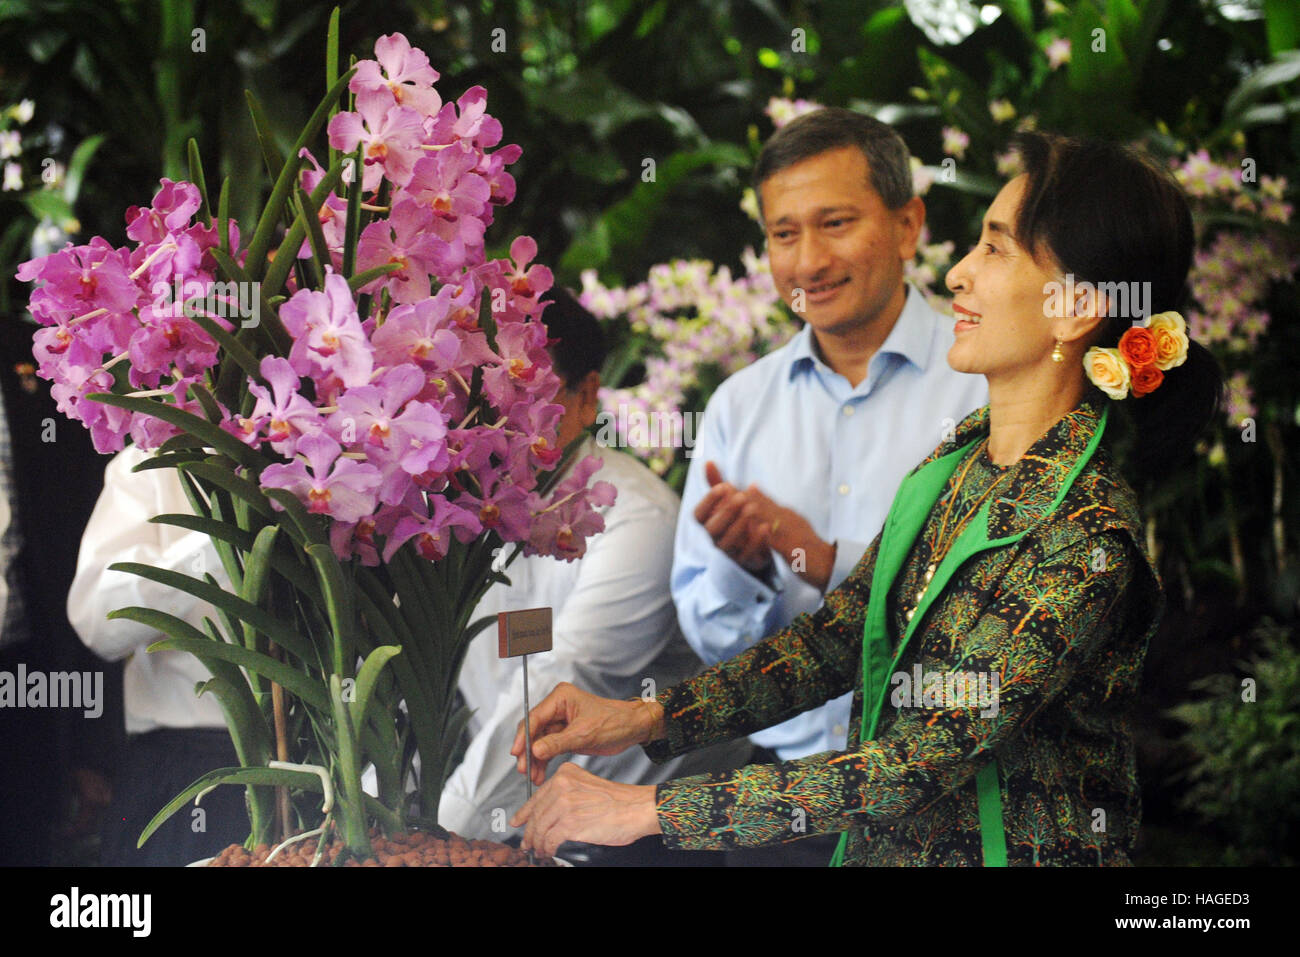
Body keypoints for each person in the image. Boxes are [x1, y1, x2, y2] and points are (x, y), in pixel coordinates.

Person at [507, 131, 1222, 865]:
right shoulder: (953, 465)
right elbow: (840, 638)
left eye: (997, 249)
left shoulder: (1084, 535)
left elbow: (923, 757)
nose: (960, 276)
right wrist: (642, 718)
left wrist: (647, 806)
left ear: (1075, 309)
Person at [672, 109, 987, 787]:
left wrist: (824, 561)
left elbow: (1004, 609)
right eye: (784, 234)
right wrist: (748, 569)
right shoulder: (739, 405)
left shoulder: (983, 387)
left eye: (835, 223)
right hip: (779, 797)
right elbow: (712, 640)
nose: (808, 261)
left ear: (908, 225)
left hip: (940, 791)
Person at [438, 288, 748, 864]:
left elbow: (566, 671)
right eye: (484, 388)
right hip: (505, 831)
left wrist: (440, 837)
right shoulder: (453, 513)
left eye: (529, 392)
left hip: (641, 845)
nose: (502, 416)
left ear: (587, 396)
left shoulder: (636, 520)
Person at [68, 446, 250, 866]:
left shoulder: (352, 455)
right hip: (188, 773)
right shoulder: (153, 462)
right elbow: (98, 622)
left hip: (335, 762)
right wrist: (221, 540)